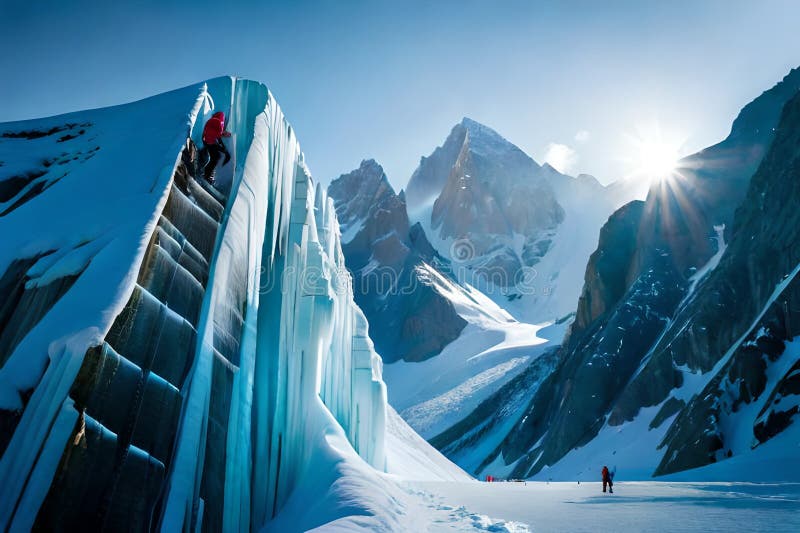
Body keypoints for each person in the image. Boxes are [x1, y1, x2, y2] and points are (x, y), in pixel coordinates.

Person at [199, 111, 231, 184]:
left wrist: (224, 149)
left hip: (208, 137)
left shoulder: (218, 126)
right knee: (215, 157)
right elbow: (214, 141)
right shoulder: (213, 133)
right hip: (207, 140)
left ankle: (207, 174)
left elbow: (218, 138)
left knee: (216, 156)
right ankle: (206, 175)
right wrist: (224, 151)